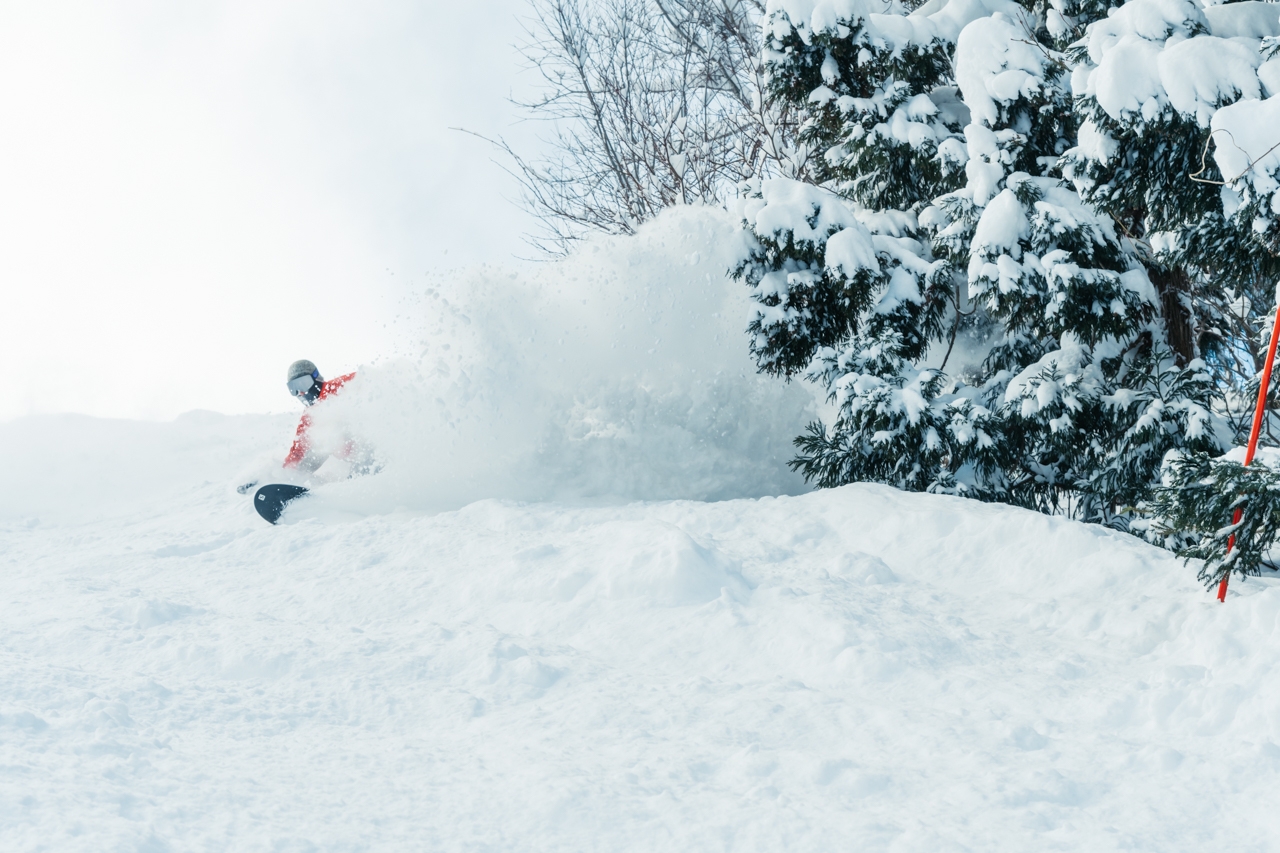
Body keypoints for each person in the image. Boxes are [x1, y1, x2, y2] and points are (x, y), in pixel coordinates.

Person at [282, 359, 358, 471]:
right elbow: (298, 450)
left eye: (303, 384)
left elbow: (369, 379)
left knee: (329, 435)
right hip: (352, 457)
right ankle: (293, 477)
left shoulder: (340, 385)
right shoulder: (310, 414)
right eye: (294, 388)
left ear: (315, 377)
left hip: (367, 446)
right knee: (317, 446)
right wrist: (282, 472)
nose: (300, 392)